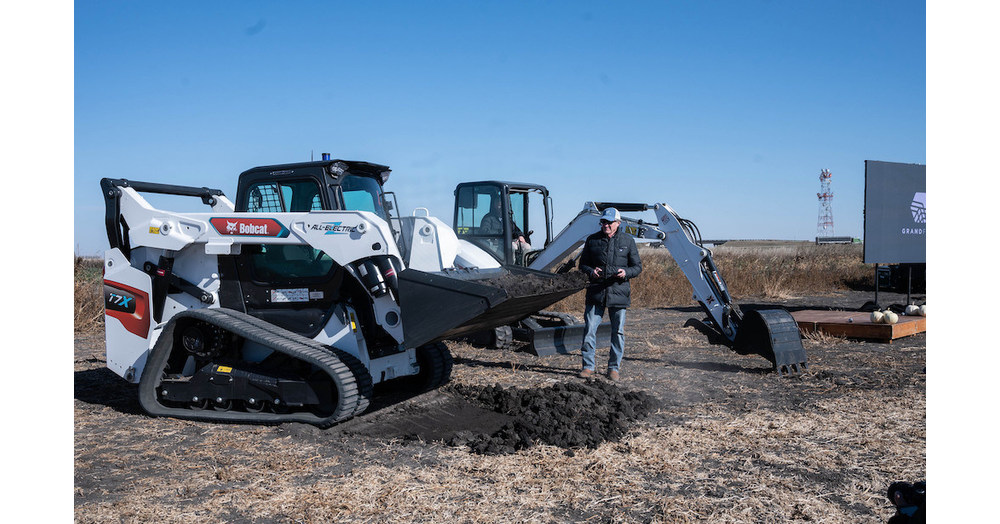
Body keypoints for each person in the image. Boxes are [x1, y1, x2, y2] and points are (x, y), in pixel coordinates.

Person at [577, 207, 641, 381]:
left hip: (618, 292)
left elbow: (637, 267)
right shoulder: (592, 240)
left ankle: (613, 368)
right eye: (603, 221)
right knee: (590, 329)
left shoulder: (628, 241)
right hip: (596, 292)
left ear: (618, 223)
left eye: (609, 222)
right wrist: (591, 272)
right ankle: (588, 367)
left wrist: (625, 273)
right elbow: (582, 265)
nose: (605, 225)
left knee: (618, 332)